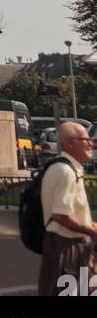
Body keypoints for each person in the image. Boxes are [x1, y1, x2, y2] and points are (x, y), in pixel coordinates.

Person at [38, 120, 97, 296]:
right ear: (70, 143)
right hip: (67, 247)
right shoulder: (66, 173)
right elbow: (60, 215)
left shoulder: (63, 168)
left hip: (72, 245)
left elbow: (66, 211)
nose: (90, 143)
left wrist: (89, 224)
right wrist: (91, 231)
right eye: (85, 140)